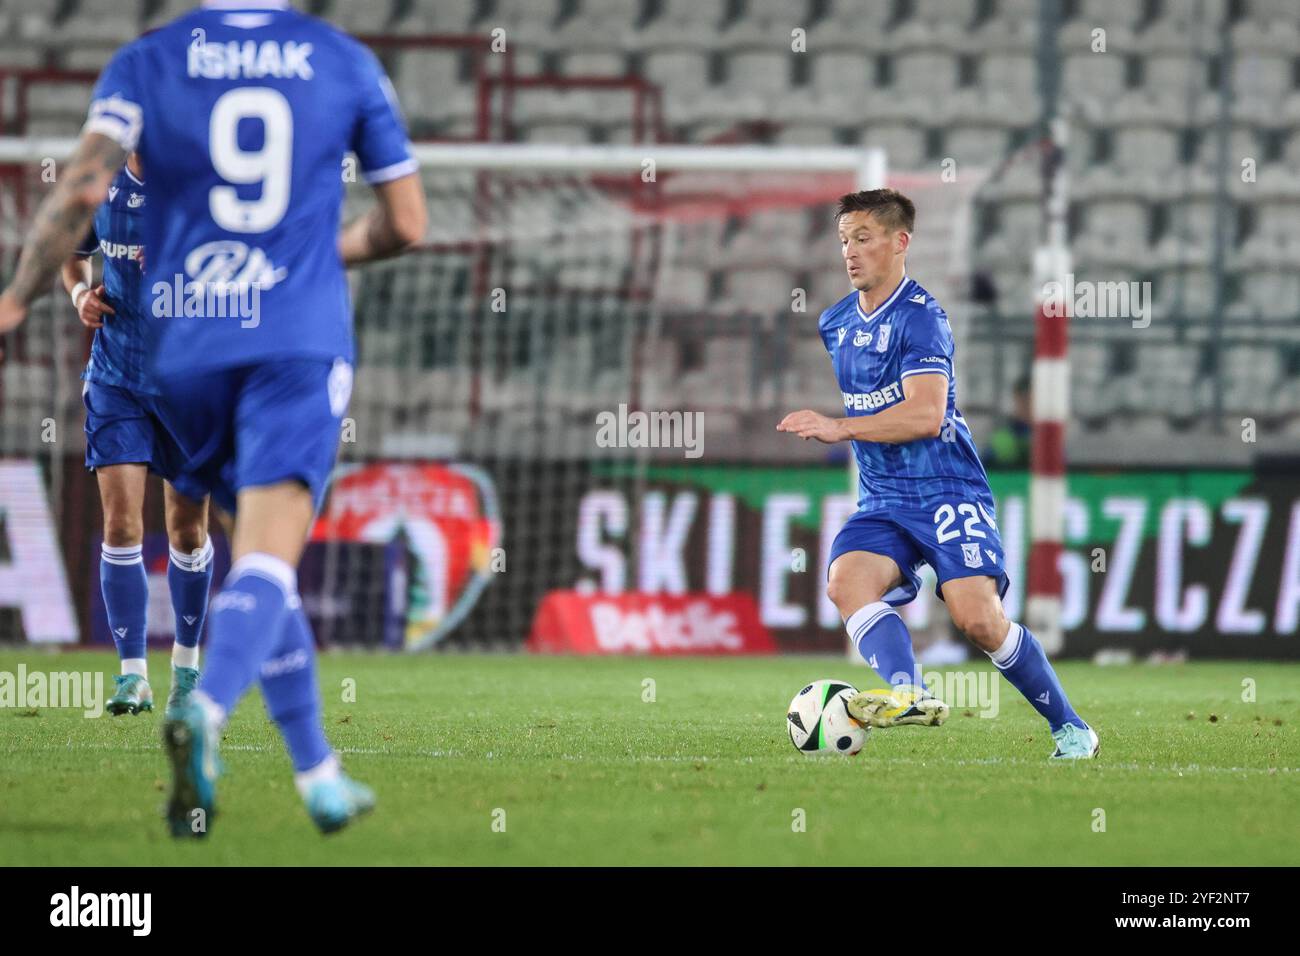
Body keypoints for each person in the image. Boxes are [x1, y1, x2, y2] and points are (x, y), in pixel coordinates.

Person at [0, 0, 429, 832]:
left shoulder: (148, 60)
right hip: (290, 344)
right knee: (266, 558)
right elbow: (406, 224)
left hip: (184, 352)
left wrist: (16, 300)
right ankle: (202, 708)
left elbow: (81, 187)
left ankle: (318, 773)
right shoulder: (340, 59)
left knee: (254, 558)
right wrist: (311, 254)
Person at [777, 188, 1097, 760]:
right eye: (844, 240)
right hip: (883, 498)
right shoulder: (836, 322)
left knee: (980, 622)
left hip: (947, 490)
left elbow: (925, 416)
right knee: (846, 583)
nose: (850, 252)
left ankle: (1072, 730)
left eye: (863, 238)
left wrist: (841, 427)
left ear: (900, 242)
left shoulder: (922, 318)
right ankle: (910, 692)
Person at [61, 150, 213, 718]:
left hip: (188, 383)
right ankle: (132, 675)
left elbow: (240, 267)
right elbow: (72, 254)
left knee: (187, 531)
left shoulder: (199, 184)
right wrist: (81, 295)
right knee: (121, 524)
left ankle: (186, 669)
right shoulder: (101, 185)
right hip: (116, 379)